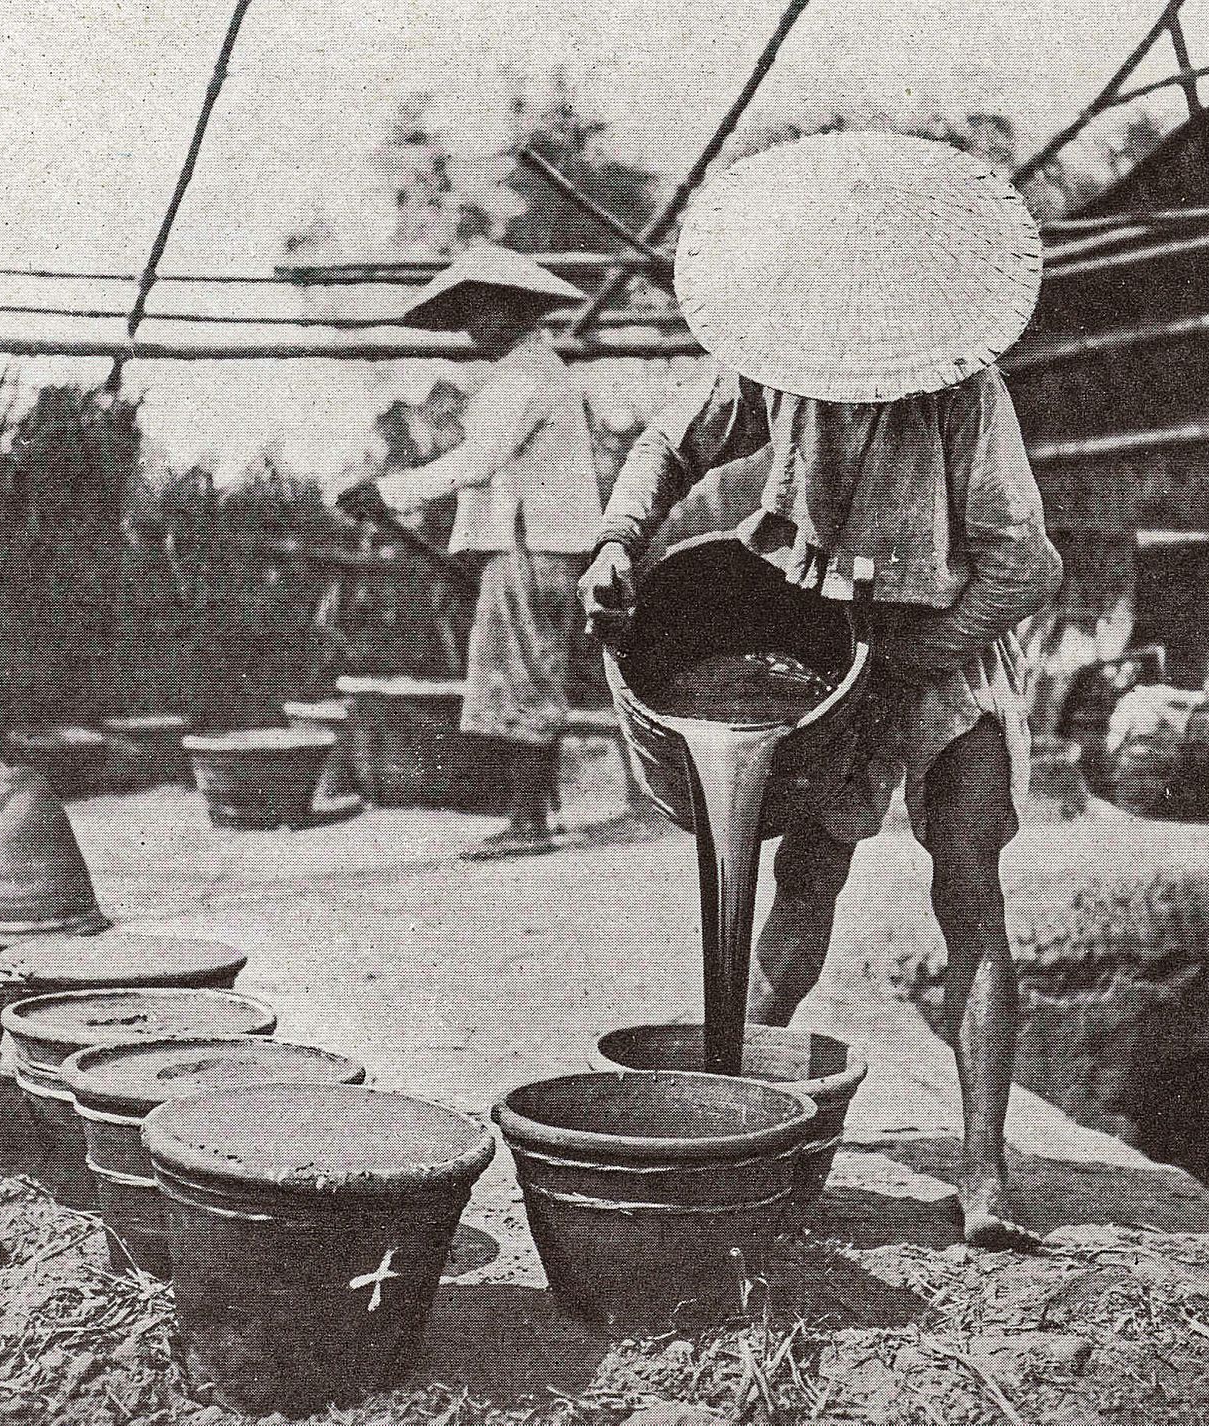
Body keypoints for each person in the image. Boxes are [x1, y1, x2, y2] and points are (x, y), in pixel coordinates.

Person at [580, 132, 1062, 1247]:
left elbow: (1024, 562)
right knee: (803, 884)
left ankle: (983, 1175)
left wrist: (926, 651)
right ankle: (731, 1119)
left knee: (968, 887)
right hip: (824, 645)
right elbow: (668, 440)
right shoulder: (774, 363)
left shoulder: (959, 392)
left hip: (949, 645)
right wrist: (616, 537)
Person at [339, 242, 606, 858]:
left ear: (515, 310)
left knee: (526, 679)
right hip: (524, 542)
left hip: (535, 545)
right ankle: (532, 815)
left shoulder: (529, 376)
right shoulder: (523, 373)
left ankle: (530, 823)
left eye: (482, 311)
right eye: (466, 313)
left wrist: (388, 491)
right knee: (520, 676)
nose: (472, 326)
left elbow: (479, 462)